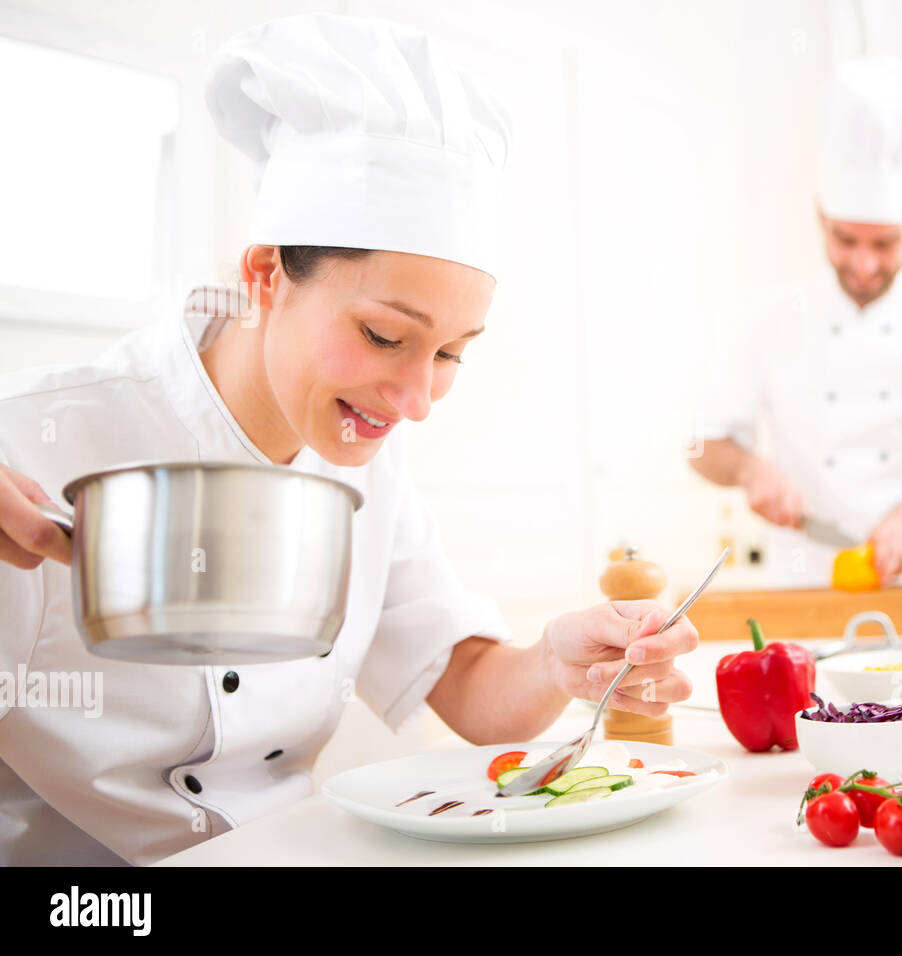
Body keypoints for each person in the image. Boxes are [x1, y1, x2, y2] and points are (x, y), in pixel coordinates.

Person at [0, 13, 696, 866]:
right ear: (264, 276)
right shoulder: (38, 446)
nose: (415, 402)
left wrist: (558, 661)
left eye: (449, 355)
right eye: (381, 335)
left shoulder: (370, 468)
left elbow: (467, 686)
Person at [689, 56, 902, 588]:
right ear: (822, 218)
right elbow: (702, 447)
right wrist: (750, 470)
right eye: (845, 240)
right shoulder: (769, 319)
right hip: (803, 583)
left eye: (884, 244)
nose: (863, 264)